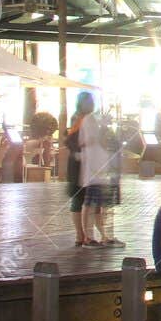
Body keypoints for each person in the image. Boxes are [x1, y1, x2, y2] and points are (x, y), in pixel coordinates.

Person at [77, 102, 124, 248]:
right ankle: (89, 237)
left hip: (106, 170)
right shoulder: (89, 120)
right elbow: (88, 142)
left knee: (105, 205)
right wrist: (103, 128)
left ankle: (106, 236)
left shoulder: (98, 121)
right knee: (91, 204)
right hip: (95, 171)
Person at [65, 91, 95, 248]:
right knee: (79, 199)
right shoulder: (79, 118)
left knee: (82, 199)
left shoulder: (82, 118)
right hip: (79, 164)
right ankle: (81, 234)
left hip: (83, 162)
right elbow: (70, 141)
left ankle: (83, 234)